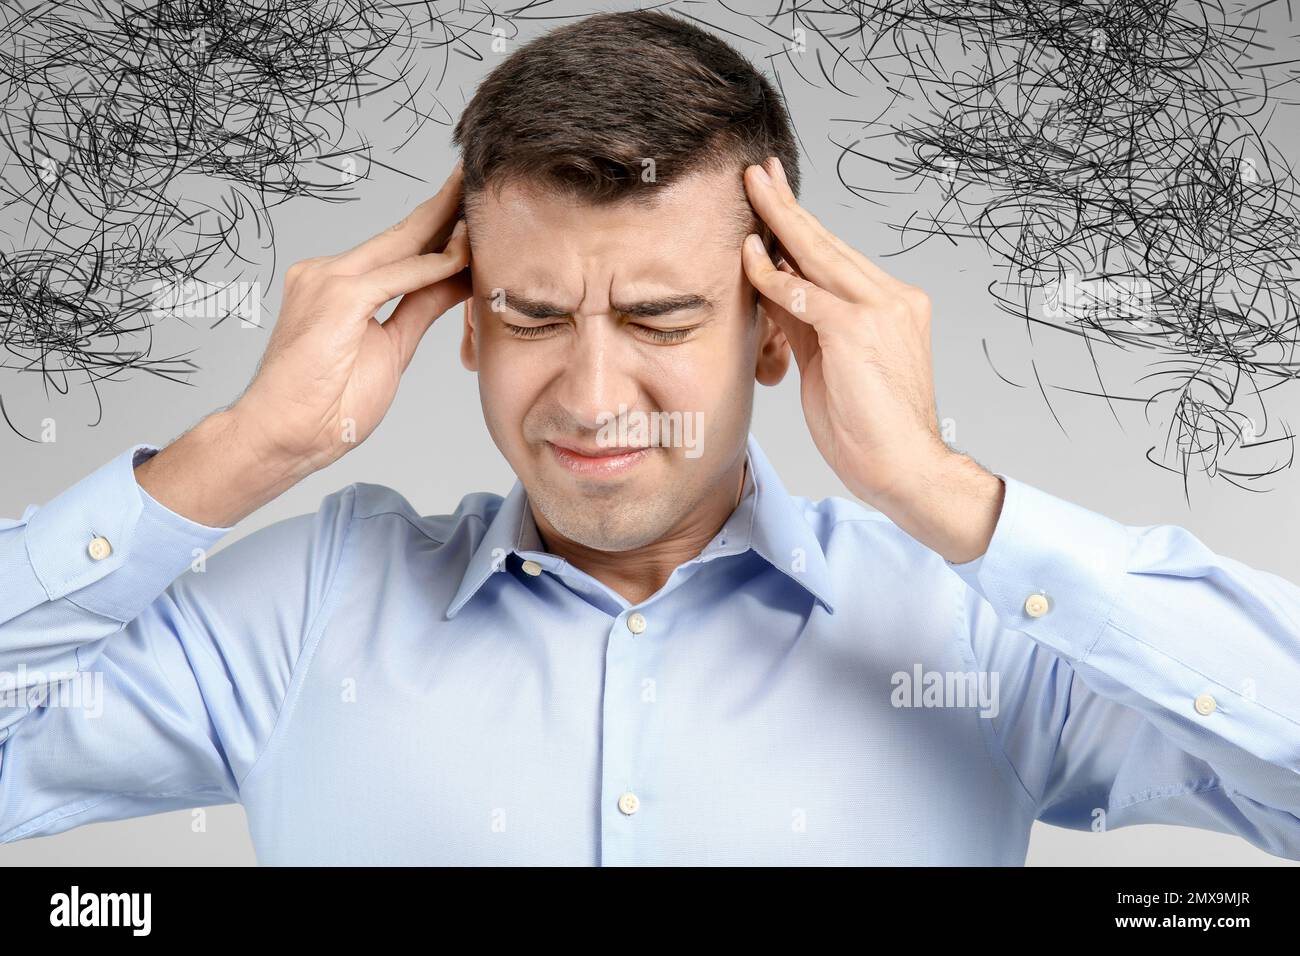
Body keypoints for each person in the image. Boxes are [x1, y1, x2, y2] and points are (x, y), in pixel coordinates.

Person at [2, 10, 1298, 866]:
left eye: (662, 318)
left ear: (778, 329)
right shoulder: (301, 615)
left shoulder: (965, 627)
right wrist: (241, 452)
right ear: (465, 324)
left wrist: (940, 489)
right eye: (532, 316)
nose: (589, 392)